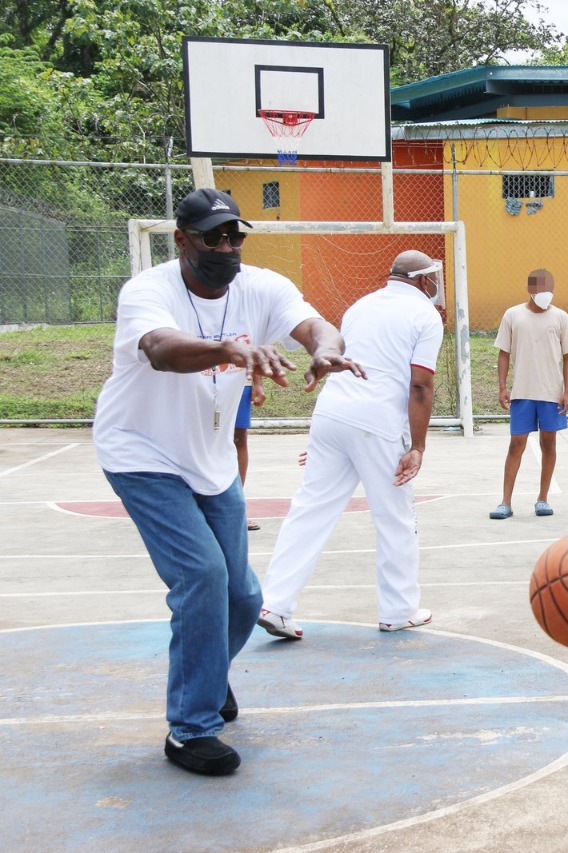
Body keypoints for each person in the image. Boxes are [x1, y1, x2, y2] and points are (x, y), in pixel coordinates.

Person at [94, 187, 362, 776]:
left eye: (234, 235)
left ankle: (207, 679)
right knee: (202, 575)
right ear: (182, 240)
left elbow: (317, 326)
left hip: (210, 461)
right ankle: (190, 730)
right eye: (212, 236)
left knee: (244, 598)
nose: (225, 246)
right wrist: (229, 349)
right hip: (140, 451)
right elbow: (162, 351)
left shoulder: (260, 287)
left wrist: (327, 350)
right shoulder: (148, 291)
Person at [257, 250, 445, 640]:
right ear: (424, 281)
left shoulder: (360, 306)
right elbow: (420, 384)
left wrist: (333, 445)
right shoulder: (424, 316)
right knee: (395, 517)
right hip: (376, 424)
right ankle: (398, 610)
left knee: (309, 509)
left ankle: (274, 604)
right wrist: (418, 446)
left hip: (331, 415)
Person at [489, 268, 568, 520]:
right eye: (540, 289)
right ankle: (505, 502)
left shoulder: (561, 318)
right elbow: (503, 353)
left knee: (548, 443)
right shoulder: (513, 315)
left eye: (549, 289)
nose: (545, 294)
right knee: (516, 444)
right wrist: (503, 387)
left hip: (551, 394)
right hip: (522, 393)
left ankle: (542, 499)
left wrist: (566, 392)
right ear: (530, 289)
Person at [234, 383, 265, 531]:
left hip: (238, 381)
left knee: (239, 439)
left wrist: (257, 383)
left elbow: (254, 359)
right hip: (201, 379)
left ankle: (235, 510)